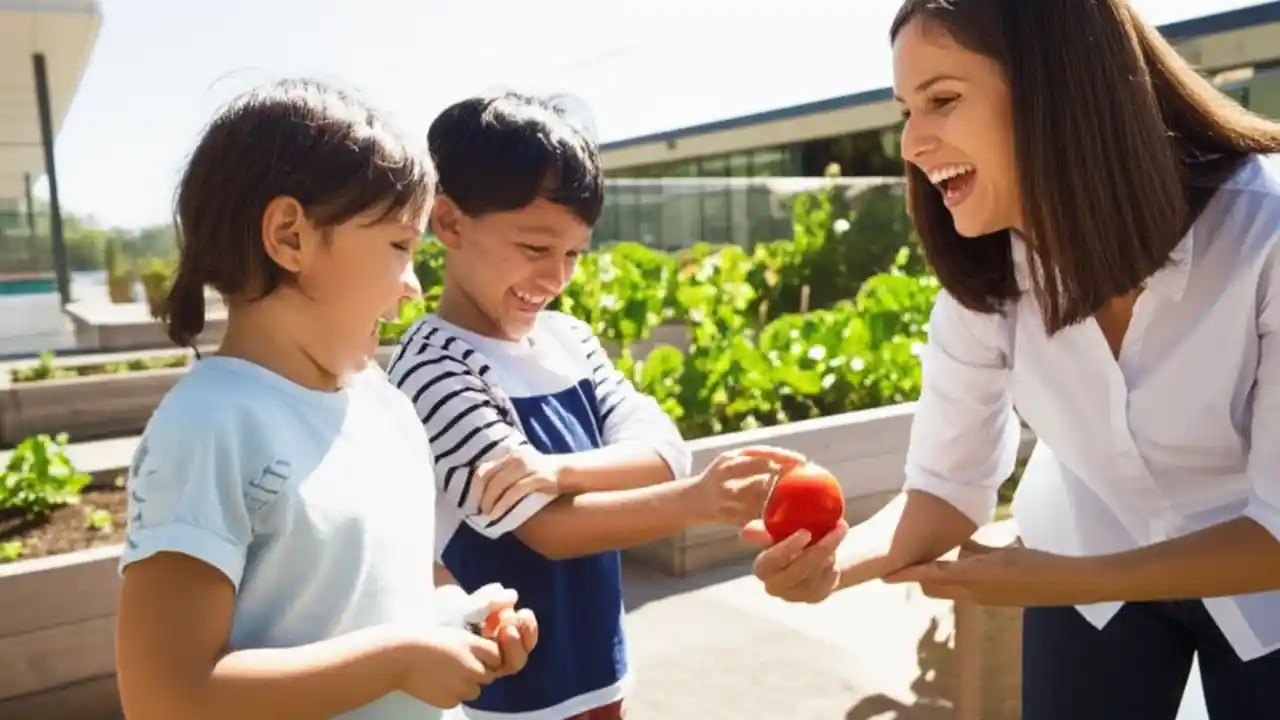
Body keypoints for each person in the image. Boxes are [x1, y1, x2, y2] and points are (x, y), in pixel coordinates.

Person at [744, 2, 1280, 718]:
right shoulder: (985, 276)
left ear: (1058, 89)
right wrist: (836, 564)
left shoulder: (1265, 234)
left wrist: (1065, 581)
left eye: (942, 99)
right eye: (906, 109)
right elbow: (945, 487)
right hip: (1085, 544)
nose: (909, 143)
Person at [114, 78, 537, 720]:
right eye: (400, 246)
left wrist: (462, 618)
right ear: (289, 236)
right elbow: (166, 696)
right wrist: (396, 659)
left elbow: (388, 582)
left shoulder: (385, 407)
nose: (413, 287)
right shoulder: (209, 426)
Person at [387, 92, 802, 720]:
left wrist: (561, 473)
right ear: (449, 223)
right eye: (534, 249)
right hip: (504, 700)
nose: (555, 278)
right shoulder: (434, 365)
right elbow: (549, 531)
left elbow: (664, 449)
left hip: (599, 677)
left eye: (574, 254)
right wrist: (700, 502)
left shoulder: (568, 339)